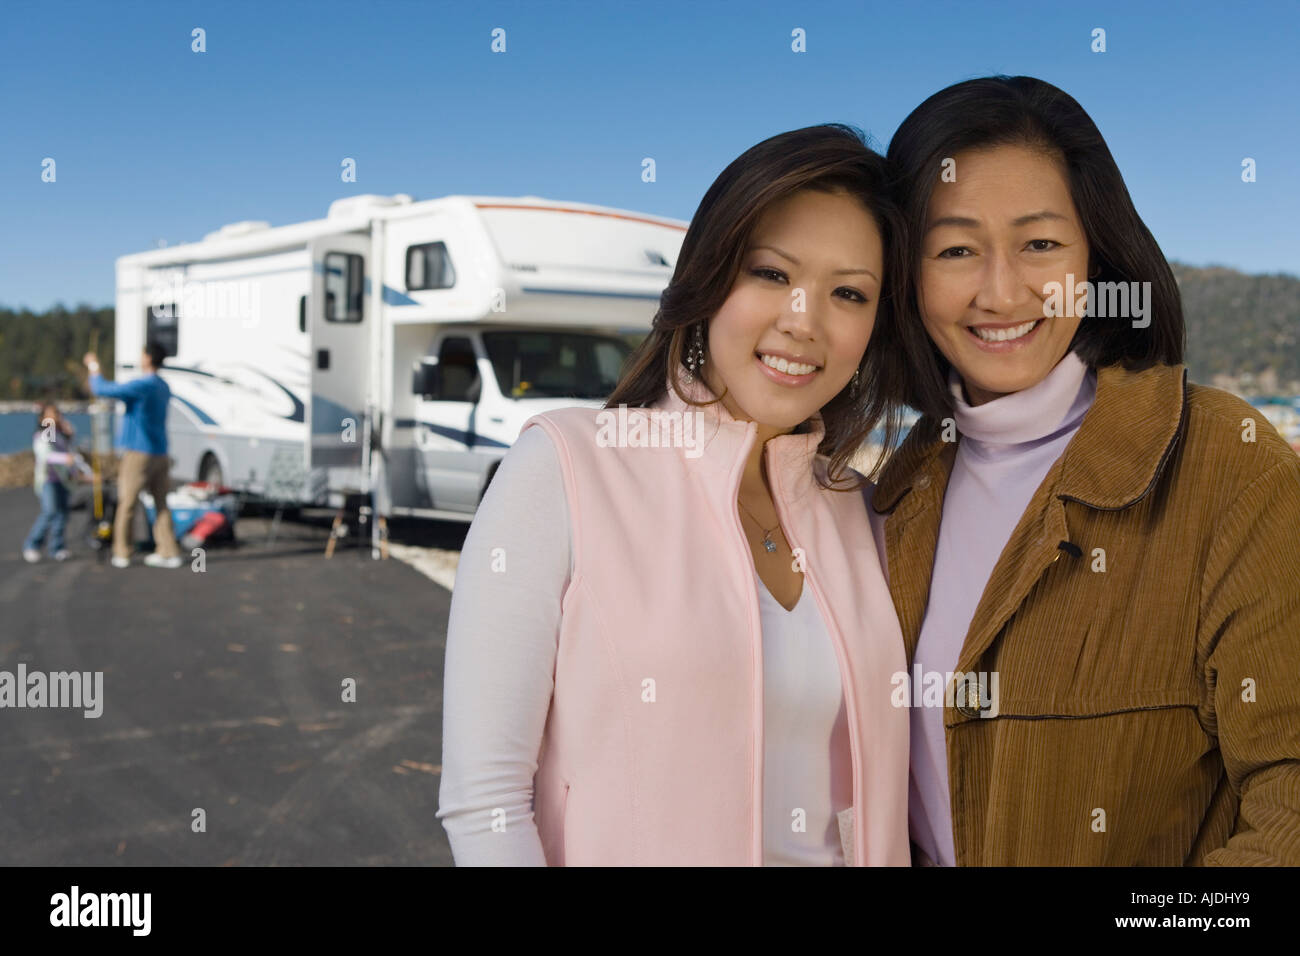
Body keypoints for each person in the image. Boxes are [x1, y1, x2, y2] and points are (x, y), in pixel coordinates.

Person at [437, 124, 925, 865]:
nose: (803, 319)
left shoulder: (859, 508)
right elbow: (486, 804)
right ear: (709, 277)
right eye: (771, 273)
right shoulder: (564, 467)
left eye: (848, 292)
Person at [875, 75, 1300, 865]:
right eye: (956, 249)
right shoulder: (893, 490)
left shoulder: (1225, 464)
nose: (1000, 292)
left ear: (1098, 257)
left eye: (1040, 244)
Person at [83, 342, 184, 569]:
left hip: (139, 453)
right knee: (161, 504)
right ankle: (169, 551)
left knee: (127, 503)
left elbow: (103, 390)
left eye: (142, 354)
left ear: (148, 358)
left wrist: (93, 367)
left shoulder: (144, 385)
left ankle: (122, 552)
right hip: (161, 451)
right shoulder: (163, 386)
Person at [22, 402, 93, 563]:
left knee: (62, 514)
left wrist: (69, 433)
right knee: (50, 512)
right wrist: (65, 459)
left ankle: (57, 548)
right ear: (43, 418)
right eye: (52, 414)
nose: (56, 417)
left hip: (64, 481)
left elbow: (67, 449)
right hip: (49, 480)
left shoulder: (58, 433)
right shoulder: (45, 432)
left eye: (57, 413)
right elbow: (46, 455)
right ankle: (32, 545)